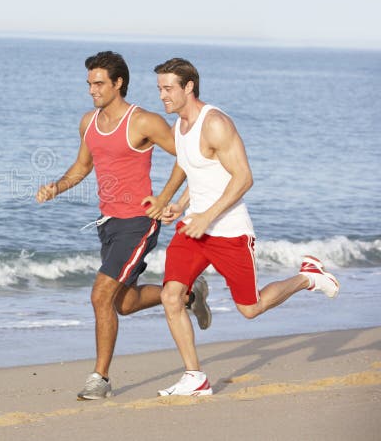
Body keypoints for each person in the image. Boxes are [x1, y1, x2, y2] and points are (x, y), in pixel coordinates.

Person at [152, 57, 340, 397]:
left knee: (250, 308)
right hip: (194, 228)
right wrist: (180, 205)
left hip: (229, 231)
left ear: (189, 87)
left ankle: (308, 276)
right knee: (171, 296)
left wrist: (208, 216)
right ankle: (195, 377)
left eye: (168, 89)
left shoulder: (216, 124)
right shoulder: (179, 125)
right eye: (160, 89)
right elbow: (199, 169)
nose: (162, 96)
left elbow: (244, 178)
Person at [36, 51, 211, 400]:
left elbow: (190, 155)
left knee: (100, 295)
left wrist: (165, 200)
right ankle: (188, 295)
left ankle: (100, 379)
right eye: (89, 84)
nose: (92, 90)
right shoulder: (88, 122)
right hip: (108, 223)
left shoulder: (143, 122)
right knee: (123, 304)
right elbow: (83, 166)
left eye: (99, 83)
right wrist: (57, 186)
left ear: (119, 83)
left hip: (138, 223)